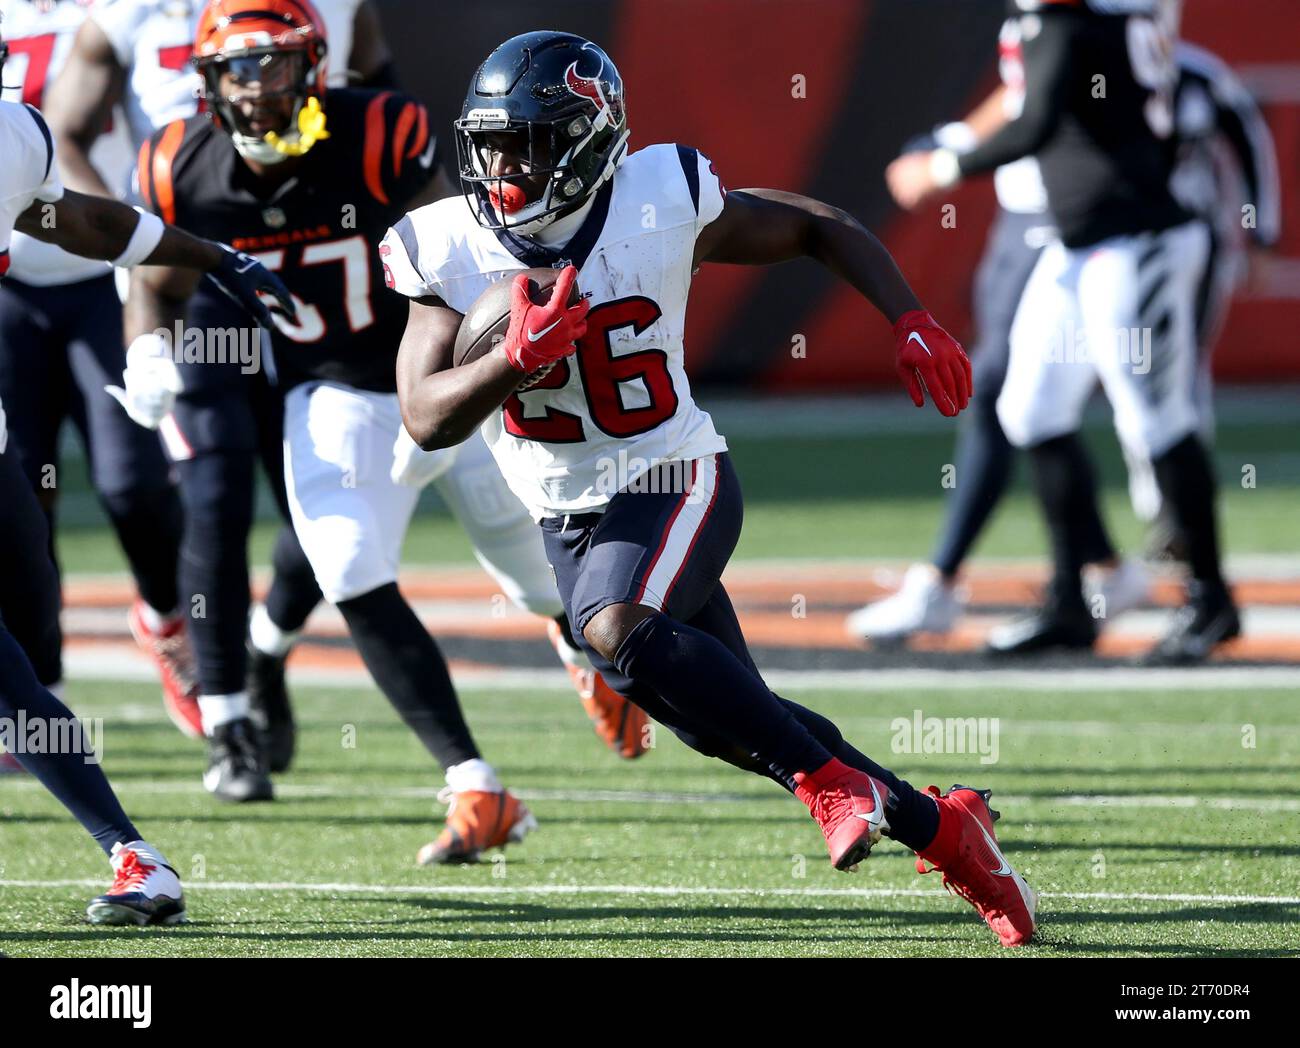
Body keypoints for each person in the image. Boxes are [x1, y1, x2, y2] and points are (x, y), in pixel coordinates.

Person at [387, 31, 1037, 946]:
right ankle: (949, 832)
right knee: (728, 719)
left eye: (527, 143)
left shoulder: (660, 199)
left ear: (586, 141)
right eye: (491, 142)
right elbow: (423, 415)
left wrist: (912, 316)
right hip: (568, 513)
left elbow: (815, 222)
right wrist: (513, 361)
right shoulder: (443, 246)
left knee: (610, 629)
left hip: (676, 473)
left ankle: (827, 788)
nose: (502, 166)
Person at [121, 2, 645, 860]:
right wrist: (146, 349)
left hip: (442, 381)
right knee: (347, 562)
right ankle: (475, 784)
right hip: (328, 391)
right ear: (206, 82)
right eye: (237, 73)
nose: (256, 95)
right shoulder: (180, 163)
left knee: (531, 580)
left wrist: (461, 379)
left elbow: (461, 251)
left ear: (316, 65)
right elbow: (157, 273)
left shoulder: (375, 134)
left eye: (276, 67)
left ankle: (586, 656)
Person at [0, 24, 295, 921]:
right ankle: (135, 854)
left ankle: (134, 856)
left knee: (25, 637)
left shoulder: (14, 138)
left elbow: (75, 219)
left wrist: (215, 257)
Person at [38, 0, 392, 747]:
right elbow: (65, 131)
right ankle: (229, 717)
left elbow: (378, 111)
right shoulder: (128, 11)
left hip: (312, 260)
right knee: (215, 492)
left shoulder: (329, 6)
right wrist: (134, 240)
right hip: (191, 273)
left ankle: (272, 643)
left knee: (329, 490)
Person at [887, 0, 1237, 664]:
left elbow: (1035, 123)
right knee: (1029, 410)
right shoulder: (1084, 21)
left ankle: (1212, 600)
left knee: (1157, 419)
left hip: (1138, 240)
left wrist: (939, 168)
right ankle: (1070, 599)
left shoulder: (1064, 21)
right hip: (1079, 243)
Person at [0, 0, 194, 738]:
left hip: (100, 271)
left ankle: (167, 616)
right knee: (20, 494)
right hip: (8, 283)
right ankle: (37, 694)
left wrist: (133, 238)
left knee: (133, 478)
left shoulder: (121, 10)